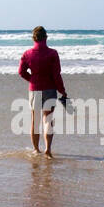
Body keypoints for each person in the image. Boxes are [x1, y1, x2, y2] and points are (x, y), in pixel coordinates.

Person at [18, 26, 67, 157]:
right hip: (50, 89)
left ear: (33, 38)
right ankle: (48, 150)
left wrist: (32, 79)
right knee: (48, 119)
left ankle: (36, 149)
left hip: (34, 90)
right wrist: (62, 90)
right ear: (46, 37)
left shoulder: (27, 54)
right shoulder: (53, 53)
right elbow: (56, 75)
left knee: (35, 120)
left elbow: (21, 72)